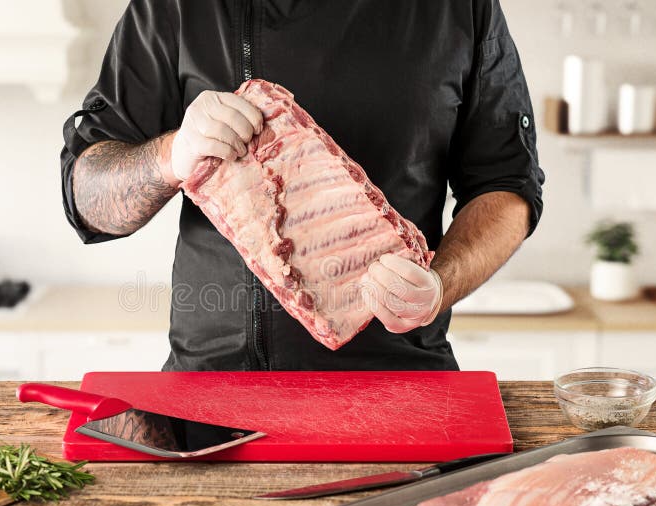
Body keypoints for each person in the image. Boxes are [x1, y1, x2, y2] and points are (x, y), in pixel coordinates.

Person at [60, 0, 545, 371]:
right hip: (214, 389)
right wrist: (172, 155)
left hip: (401, 378)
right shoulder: (182, 7)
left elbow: (505, 185)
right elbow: (88, 196)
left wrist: (442, 283)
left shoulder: (458, 8)